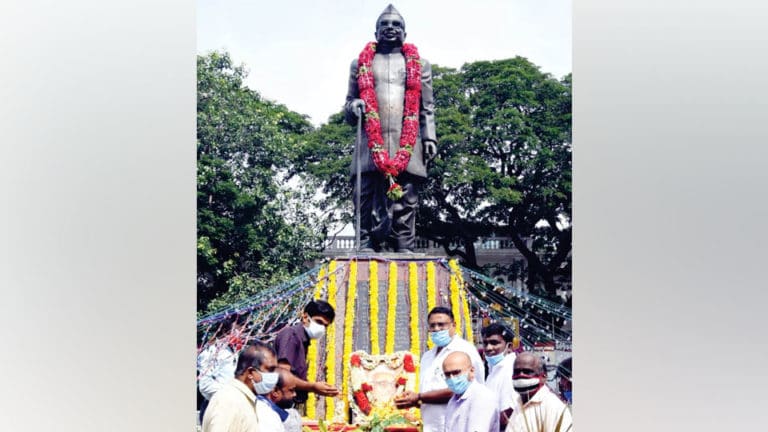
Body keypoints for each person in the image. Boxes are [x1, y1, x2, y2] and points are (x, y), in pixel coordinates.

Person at [344, 3, 438, 253]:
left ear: (405, 33)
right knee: (363, 195)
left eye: (396, 25)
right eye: (384, 25)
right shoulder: (360, 64)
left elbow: (427, 106)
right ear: (375, 32)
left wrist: (430, 138)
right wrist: (354, 107)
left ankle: (403, 244)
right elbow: (348, 104)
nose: (390, 28)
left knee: (407, 198)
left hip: (407, 141)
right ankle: (364, 243)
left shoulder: (420, 65)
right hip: (369, 143)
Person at [394, 306, 485, 432]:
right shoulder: (428, 356)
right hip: (431, 425)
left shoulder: (464, 350)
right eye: (432, 326)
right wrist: (414, 401)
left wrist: (419, 397)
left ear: (454, 325)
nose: (436, 329)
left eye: (441, 325)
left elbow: (463, 389)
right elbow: (428, 391)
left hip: (457, 425)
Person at [273, 300, 340, 409]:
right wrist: (313, 386)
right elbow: (283, 377)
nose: (322, 328)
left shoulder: (303, 341)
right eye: (319, 322)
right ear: (305, 317)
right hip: (279, 406)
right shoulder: (291, 336)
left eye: (325, 326)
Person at [202, 341, 280, 432]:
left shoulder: (242, 399)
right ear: (251, 373)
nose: (274, 375)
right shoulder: (229, 402)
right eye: (270, 370)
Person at [197, 313, 249, 422]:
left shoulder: (235, 351)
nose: (243, 333)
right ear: (226, 331)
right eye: (239, 329)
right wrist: (230, 393)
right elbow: (204, 386)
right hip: (215, 409)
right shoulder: (211, 352)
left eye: (244, 329)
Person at [505, 352, 573, 432]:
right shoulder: (519, 402)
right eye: (516, 372)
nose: (521, 375)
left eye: (527, 371)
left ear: (544, 376)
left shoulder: (553, 407)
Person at [442, 351, 500, 432]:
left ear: (472, 371)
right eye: (447, 374)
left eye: (456, 372)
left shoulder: (482, 397)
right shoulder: (453, 400)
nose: (452, 378)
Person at [481, 323, 520, 430]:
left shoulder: (510, 369)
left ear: (509, 347)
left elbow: (506, 416)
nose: (488, 348)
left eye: (494, 343)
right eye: (485, 343)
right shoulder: (495, 368)